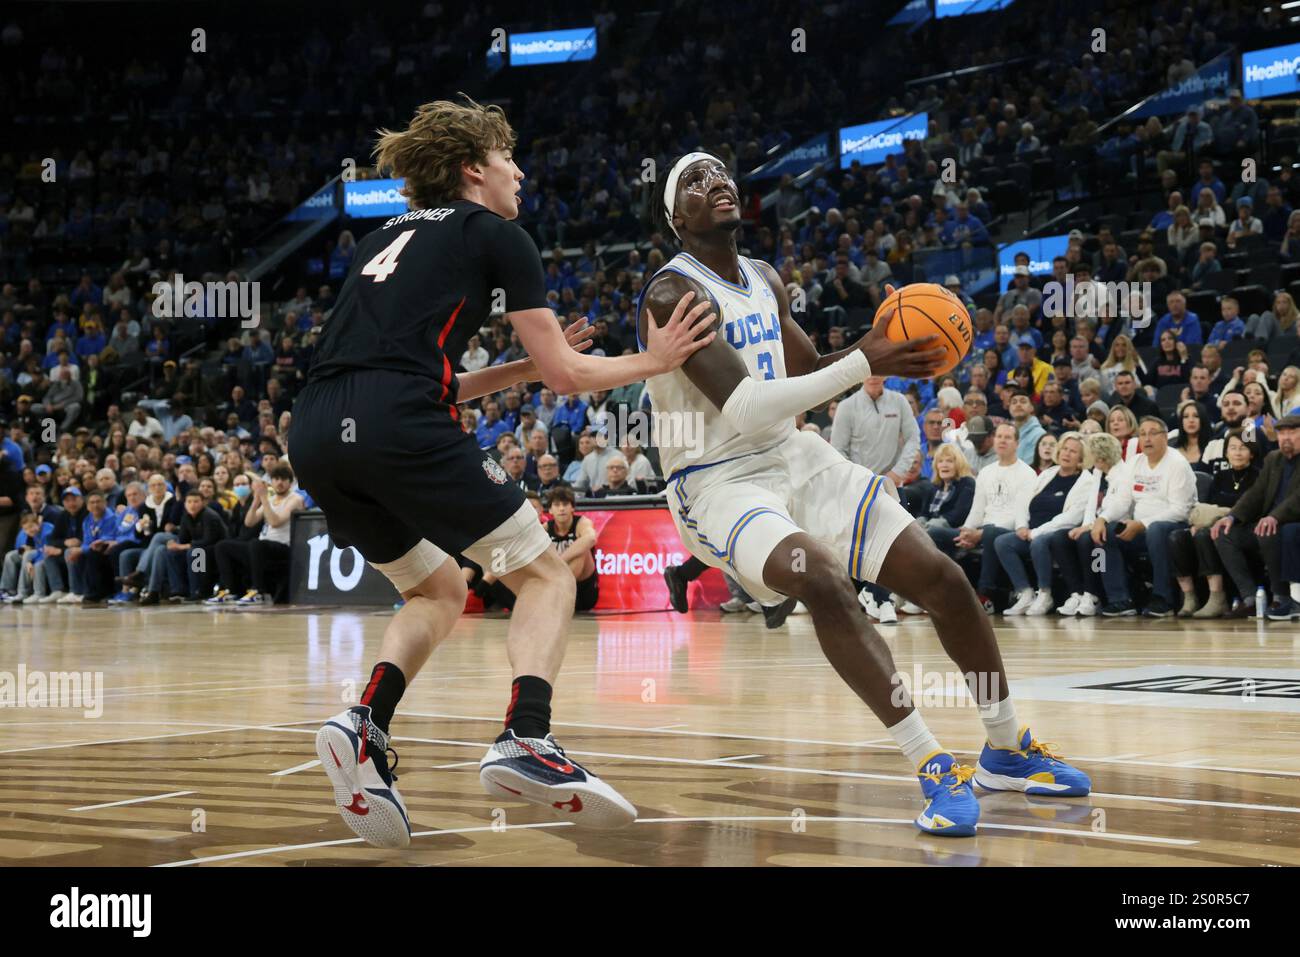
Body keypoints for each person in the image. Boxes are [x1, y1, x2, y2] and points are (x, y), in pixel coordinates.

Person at [289, 97, 715, 846]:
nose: (520, 171)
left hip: (318, 426)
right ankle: (526, 735)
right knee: (547, 576)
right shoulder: (498, 234)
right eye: (507, 157)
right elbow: (565, 375)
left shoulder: (382, 238)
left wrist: (519, 365)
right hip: (396, 421)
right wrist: (656, 358)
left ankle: (362, 724)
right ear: (471, 169)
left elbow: (437, 374)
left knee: (439, 587)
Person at [641, 152, 1089, 839]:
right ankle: (931, 761)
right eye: (695, 180)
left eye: (721, 172)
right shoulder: (672, 294)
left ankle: (1003, 743)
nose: (717, 182)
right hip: (718, 480)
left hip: (793, 453)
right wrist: (865, 361)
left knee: (939, 575)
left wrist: (876, 347)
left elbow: (811, 373)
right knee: (820, 577)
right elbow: (746, 406)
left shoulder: (763, 277)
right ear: (678, 218)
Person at [1093, 416, 1198, 617]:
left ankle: (1163, 599)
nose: (1147, 438)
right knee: (1104, 534)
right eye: (1142, 434)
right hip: (1139, 528)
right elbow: (1122, 500)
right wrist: (1102, 518)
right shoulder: (1134, 462)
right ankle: (1120, 599)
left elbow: (1181, 509)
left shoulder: (1177, 463)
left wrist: (1142, 524)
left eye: (1153, 433)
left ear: (1165, 437)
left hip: (1174, 527)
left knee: (1157, 529)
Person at [1209, 414, 1300, 620]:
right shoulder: (1273, 458)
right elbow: (1256, 493)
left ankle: (1282, 597)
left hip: (1291, 522)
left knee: (1268, 530)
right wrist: (1231, 517)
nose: (1286, 437)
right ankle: (1250, 598)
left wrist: (1274, 517)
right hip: (1268, 523)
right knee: (1224, 534)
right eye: (1282, 432)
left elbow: (1297, 498)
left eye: (1292, 432)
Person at [995, 432, 1092, 616]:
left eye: (1073, 451)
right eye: (1064, 448)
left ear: (1081, 458)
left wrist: (1036, 532)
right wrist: (1022, 526)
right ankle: (1025, 592)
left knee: (1040, 542)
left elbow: (1071, 517)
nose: (1066, 454)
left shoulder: (1085, 481)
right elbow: (1023, 501)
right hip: (1031, 531)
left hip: (1058, 533)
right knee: (1002, 542)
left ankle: (1045, 594)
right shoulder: (1048, 473)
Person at [1171, 430, 1260, 618]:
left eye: (1243, 448)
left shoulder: (1258, 476)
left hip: (1243, 526)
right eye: (1232, 448)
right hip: (1214, 523)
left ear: (1251, 452)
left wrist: (1220, 516)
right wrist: (1202, 520)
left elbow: (1252, 508)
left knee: (1206, 534)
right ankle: (1190, 597)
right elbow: (1208, 505)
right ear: (1226, 453)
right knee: (1178, 536)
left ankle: (1217, 597)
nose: (1237, 452)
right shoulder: (1220, 477)